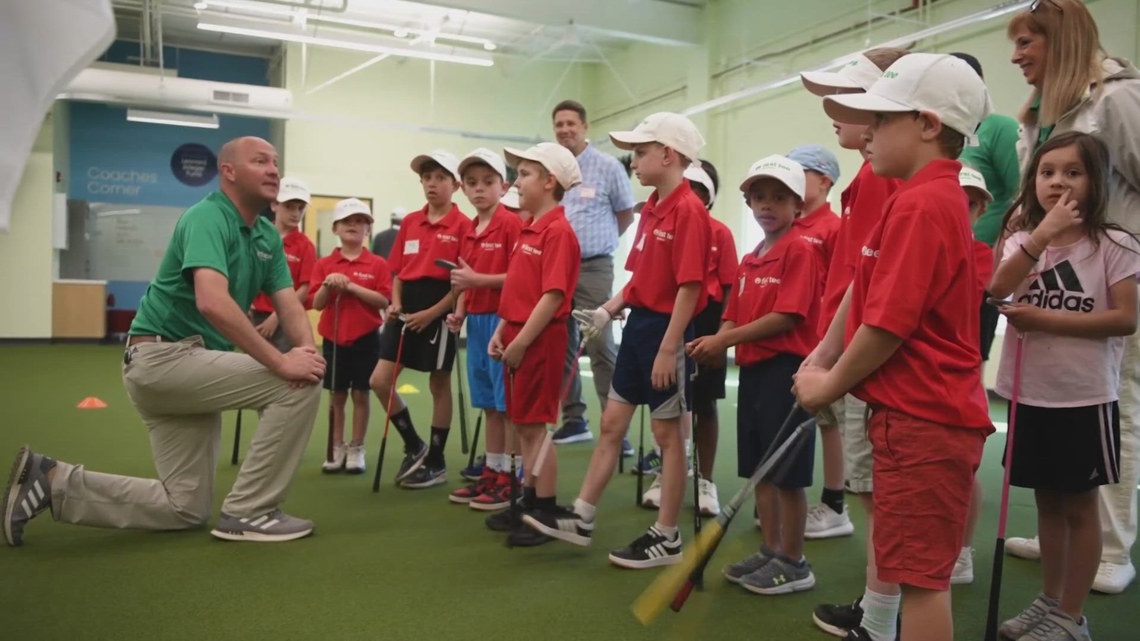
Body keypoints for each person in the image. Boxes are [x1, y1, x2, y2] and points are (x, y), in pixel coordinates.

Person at [1, 136, 325, 546]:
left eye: (276, 162)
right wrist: (283, 363)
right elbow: (212, 302)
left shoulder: (264, 235)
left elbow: (290, 307)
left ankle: (50, 480)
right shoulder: (208, 218)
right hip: (163, 359)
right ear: (229, 171)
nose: (274, 170)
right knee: (294, 384)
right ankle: (251, 511)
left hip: (189, 368)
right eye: (260, 161)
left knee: (184, 507)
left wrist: (307, 352)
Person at [793, 53, 995, 641]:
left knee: (923, 585)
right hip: (912, 416)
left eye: (881, 122)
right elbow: (864, 286)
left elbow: (888, 324)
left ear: (929, 125)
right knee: (912, 570)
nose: (868, 134)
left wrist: (829, 384)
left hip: (924, 419)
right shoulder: (912, 197)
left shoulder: (924, 204)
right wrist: (824, 354)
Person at [524, 112, 711, 569]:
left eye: (642, 151)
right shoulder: (651, 208)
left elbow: (689, 287)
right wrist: (608, 309)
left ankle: (666, 536)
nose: (634, 160)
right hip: (639, 329)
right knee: (611, 424)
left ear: (668, 155)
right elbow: (643, 277)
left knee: (668, 436)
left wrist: (669, 348)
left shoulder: (689, 211)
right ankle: (583, 516)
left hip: (665, 333)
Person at [1001, 0, 1140, 595]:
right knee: (1052, 438)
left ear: (1060, 41)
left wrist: (1117, 258)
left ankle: (1113, 546)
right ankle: (1063, 526)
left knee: (1117, 408)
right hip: (1054, 281)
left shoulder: (1118, 99)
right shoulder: (1048, 113)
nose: (1016, 55)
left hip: (1109, 281)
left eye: (1027, 41)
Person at [989, 132, 1140, 641]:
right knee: (1048, 505)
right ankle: (1049, 601)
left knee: (1079, 506)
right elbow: (998, 288)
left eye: (1073, 172)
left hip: (1084, 399)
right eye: (1047, 171)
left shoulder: (1115, 245)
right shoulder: (1021, 241)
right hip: (1032, 396)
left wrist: (1045, 321)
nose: (1058, 181)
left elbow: (1123, 320)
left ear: (1095, 182)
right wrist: (1041, 236)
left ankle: (1072, 617)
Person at [798, 46, 909, 641]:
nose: (834, 114)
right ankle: (879, 606)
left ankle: (882, 614)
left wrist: (831, 358)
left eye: (847, 102)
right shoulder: (869, 175)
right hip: (847, 346)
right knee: (873, 489)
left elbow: (874, 284)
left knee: (877, 492)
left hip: (864, 354)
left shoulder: (881, 179)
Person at [689, 154, 821, 595]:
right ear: (748, 203)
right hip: (752, 373)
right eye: (759, 197)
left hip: (786, 372)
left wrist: (724, 341)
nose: (767, 205)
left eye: (778, 198)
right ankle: (770, 549)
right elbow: (733, 315)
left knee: (788, 473)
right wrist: (714, 342)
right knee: (760, 469)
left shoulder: (800, 250)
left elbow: (787, 316)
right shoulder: (750, 259)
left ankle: (794, 560)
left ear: (797, 207)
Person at [487, 142, 582, 547]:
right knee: (523, 422)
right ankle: (528, 500)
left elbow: (553, 296)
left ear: (550, 181)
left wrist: (522, 340)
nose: (516, 182)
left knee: (536, 427)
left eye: (525, 174)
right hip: (519, 334)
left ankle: (543, 509)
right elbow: (522, 290)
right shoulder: (530, 227)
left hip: (540, 339)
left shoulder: (558, 232)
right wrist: (502, 328)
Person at [369, 150, 471, 489]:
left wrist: (434, 313)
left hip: (439, 308)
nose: (432, 184)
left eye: (440, 178)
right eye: (427, 178)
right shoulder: (411, 221)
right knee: (380, 381)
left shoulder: (464, 225)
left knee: (438, 385)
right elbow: (398, 270)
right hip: (404, 308)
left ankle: (437, 461)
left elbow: (462, 281)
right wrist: (395, 304)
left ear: (455, 185)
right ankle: (414, 445)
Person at [550, 100, 636, 458]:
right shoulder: (550, 169)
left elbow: (626, 215)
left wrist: (598, 243)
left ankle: (615, 429)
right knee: (558, 344)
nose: (565, 129)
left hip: (594, 267)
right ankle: (574, 420)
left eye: (571, 123)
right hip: (556, 266)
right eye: (559, 124)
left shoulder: (608, 167)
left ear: (585, 126)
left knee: (600, 346)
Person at [446, 148, 523, 510]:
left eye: (488, 183)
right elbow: (463, 279)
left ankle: (513, 477)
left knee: (507, 405)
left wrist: (478, 280)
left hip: (503, 322)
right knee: (490, 405)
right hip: (475, 323)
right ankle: (492, 473)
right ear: (462, 188)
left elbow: (520, 277)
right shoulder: (469, 229)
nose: (480, 190)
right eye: (472, 184)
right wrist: (459, 312)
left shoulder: (510, 223)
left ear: (503, 186)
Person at [784, 143, 851, 541]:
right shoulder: (789, 227)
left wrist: (830, 344)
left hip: (823, 344)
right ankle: (786, 498)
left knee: (829, 424)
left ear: (824, 180)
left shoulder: (834, 228)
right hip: (790, 345)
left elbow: (841, 290)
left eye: (800, 172)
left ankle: (835, 504)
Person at [949, 52, 1022, 365]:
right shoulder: (947, 134)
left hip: (983, 263)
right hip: (946, 262)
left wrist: (1001, 253)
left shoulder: (999, 128)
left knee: (971, 353)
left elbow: (1021, 193)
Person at [311, 198, 391, 474]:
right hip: (333, 339)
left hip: (366, 338)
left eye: (360, 222)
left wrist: (352, 287)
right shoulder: (325, 264)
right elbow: (317, 303)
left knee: (361, 394)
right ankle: (336, 446)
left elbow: (383, 300)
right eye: (347, 221)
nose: (353, 226)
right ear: (335, 228)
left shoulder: (377, 263)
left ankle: (356, 447)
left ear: (368, 229)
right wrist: (328, 284)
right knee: (337, 396)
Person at [248, 177, 317, 353]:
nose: (296, 213)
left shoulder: (305, 246)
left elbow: (305, 287)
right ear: (274, 205)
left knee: (285, 366)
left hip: (286, 318)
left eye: (300, 208)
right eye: (289, 206)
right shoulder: (257, 235)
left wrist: (276, 317)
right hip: (252, 314)